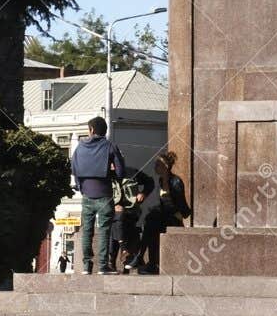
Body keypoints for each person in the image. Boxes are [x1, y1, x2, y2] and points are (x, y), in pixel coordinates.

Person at [71, 116, 125, 276]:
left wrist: (82, 188)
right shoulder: (110, 146)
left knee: (87, 230)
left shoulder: (79, 148)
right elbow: (121, 172)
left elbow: (75, 170)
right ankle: (103, 266)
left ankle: (86, 267)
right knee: (104, 230)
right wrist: (112, 172)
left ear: (91, 130)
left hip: (86, 195)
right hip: (105, 195)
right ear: (104, 131)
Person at [137, 151, 192, 274]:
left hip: (174, 218)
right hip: (163, 217)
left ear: (166, 166)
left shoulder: (176, 181)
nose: (155, 167)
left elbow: (181, 204)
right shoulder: (161, 181)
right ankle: (147, 260)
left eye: (157, 164)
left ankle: (144, 259)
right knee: (150, 221)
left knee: (151, 221)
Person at [112, 169, 153, 274]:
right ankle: (127, 254)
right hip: (113, 212)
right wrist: (113, 206)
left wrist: (143, 193)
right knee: (118, 220)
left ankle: (118, 260)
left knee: (124, 223)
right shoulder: (105, 175)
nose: (112, 165)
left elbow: (150, 182)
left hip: (131, 210)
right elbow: (101, 194)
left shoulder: (132, 172)